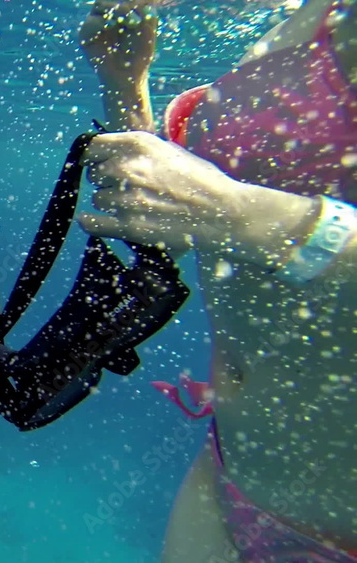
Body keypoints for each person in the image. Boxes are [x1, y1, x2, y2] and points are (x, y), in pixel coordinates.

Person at [78, 0, 355, 561]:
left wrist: (232, 210)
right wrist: (127, 82)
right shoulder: (288, 21)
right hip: (230, 483)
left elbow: (224, 212)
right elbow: (178, 225)